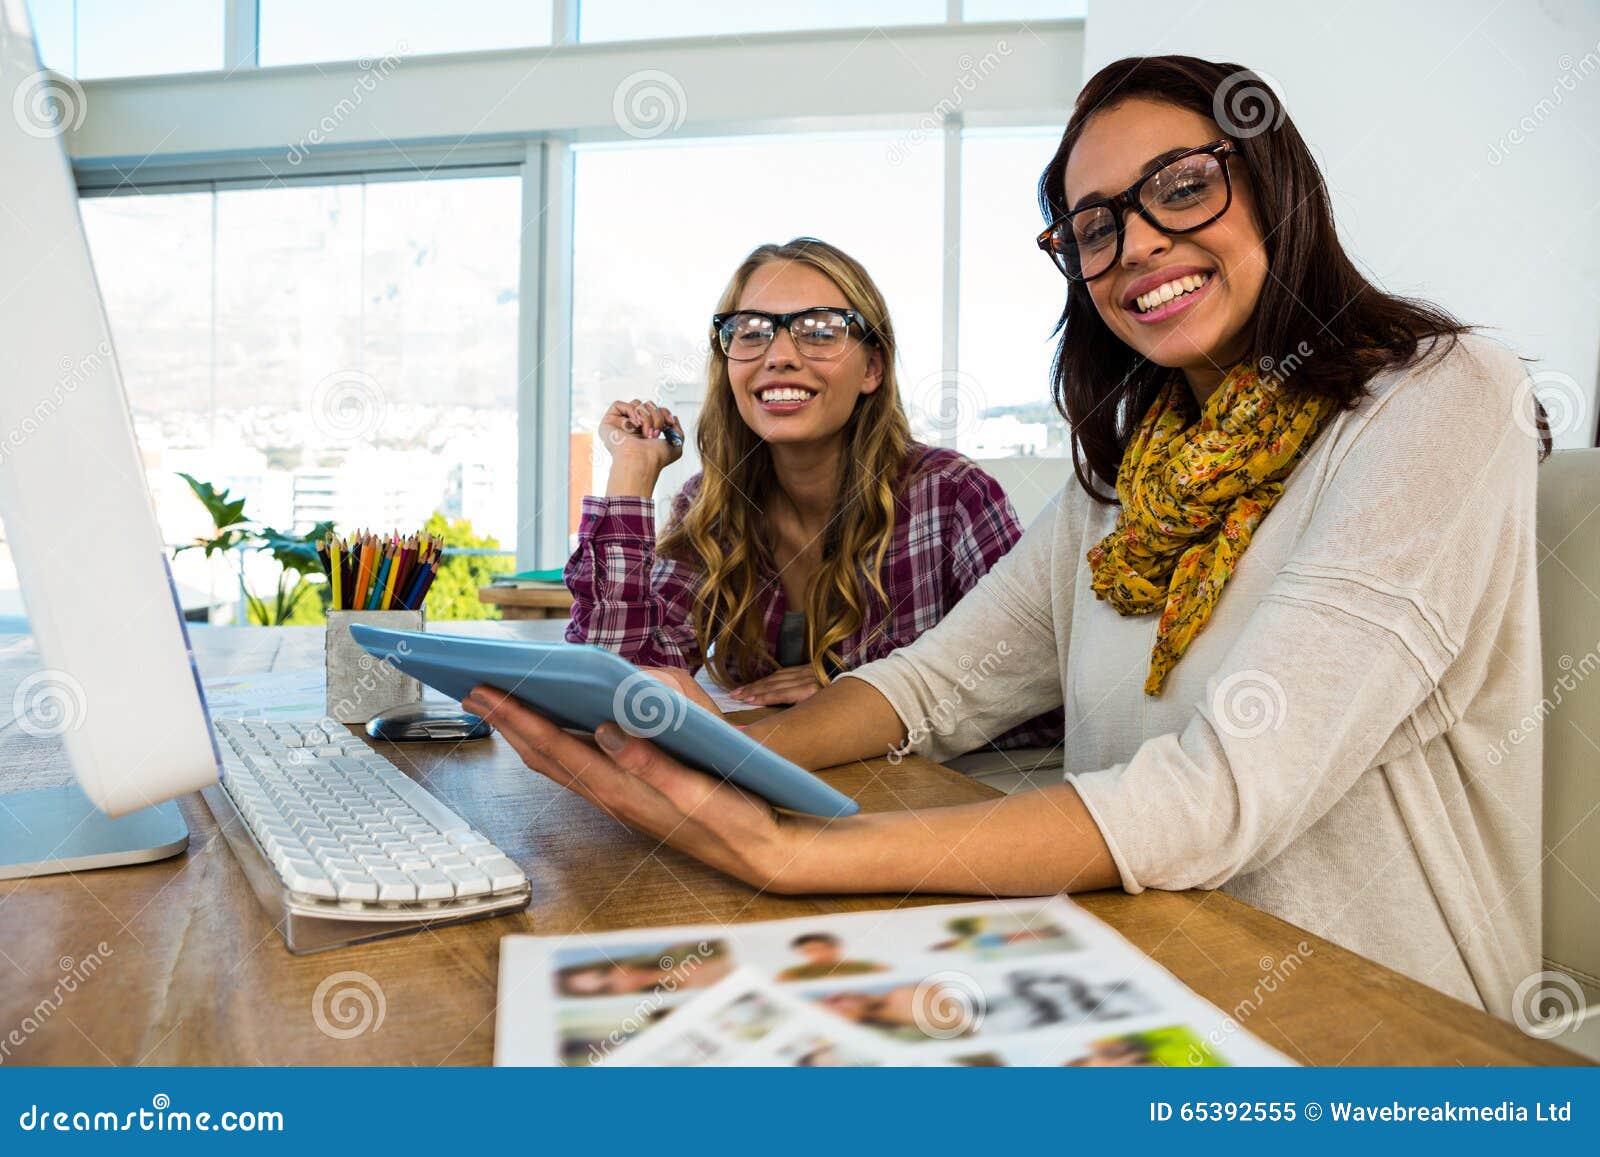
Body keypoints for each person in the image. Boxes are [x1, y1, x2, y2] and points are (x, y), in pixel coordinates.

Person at [470, 57, 1549, 1019]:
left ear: (1275, 188)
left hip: (1372, 1017)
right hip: (1130, 970)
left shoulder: (1439, 397)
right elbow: (935, 682)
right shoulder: (1128, 470)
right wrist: (717, 750)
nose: (1138, 246)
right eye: (1092, 227)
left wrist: (797, 850)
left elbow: (1223, 788)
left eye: (1183, 186)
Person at [563, 236, 1061, 748]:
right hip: (757, 796)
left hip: (920, 808)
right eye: (752, 332)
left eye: (820, 330)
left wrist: (857, 690)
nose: (778, 356)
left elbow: (1035, 693)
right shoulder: (711, 505)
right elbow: (615, 685)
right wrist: (631, 473)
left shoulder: (953, 497)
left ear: (872, 369)